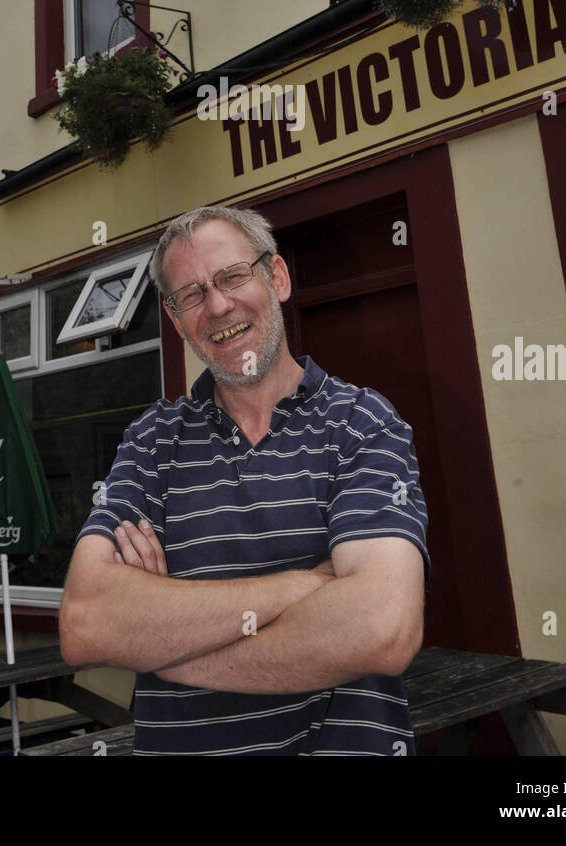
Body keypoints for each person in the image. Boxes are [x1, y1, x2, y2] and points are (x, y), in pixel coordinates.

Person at [60, 205, 430, 756]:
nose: (216, 305)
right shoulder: (152, 442)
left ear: (276, 277)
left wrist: (162, 643)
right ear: (177, 318)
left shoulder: (361, 423)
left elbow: (382, 627)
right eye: (190, 294)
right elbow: (87, 623)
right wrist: (306, 585)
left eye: (232, 276)